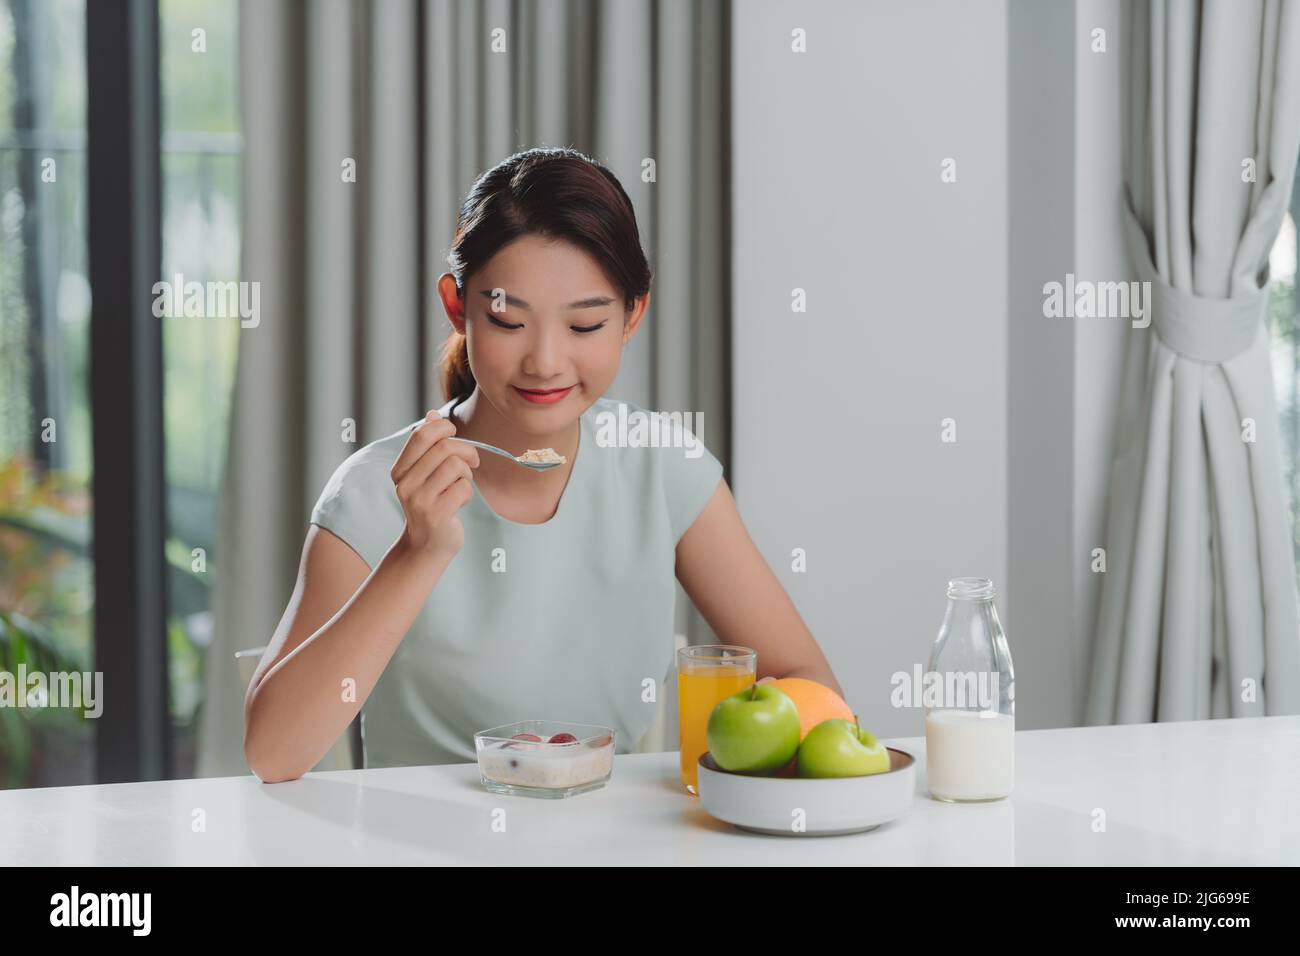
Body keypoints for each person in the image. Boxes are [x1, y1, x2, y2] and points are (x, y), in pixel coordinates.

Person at [243, 147, 841, 782]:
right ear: (458, 307)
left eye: (585, 325)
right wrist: (416, 554)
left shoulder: (661, 465)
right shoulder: (373, 491)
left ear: (632, 316)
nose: (546, 362)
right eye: (508, 321)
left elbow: (807, 682)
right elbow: (272, 754)